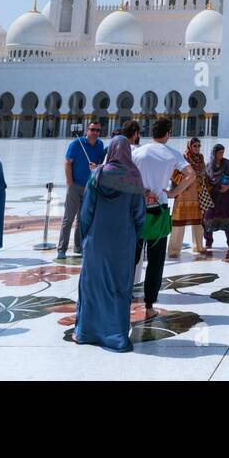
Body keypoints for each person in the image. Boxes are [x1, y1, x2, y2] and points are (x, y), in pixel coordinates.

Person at [74, 121, 147, 352]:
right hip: (122, 242)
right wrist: (134, 235)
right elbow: (139, 215)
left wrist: (86, 237)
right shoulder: (135, 178)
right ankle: (116, 336)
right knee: (119, 286)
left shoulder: (98, 175)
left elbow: (86, 212)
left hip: (97, 240)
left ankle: (86, 332)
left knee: (92, 285)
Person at [134, 118, 197, 317]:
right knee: (155, 260)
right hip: (159, 212)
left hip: (137, 210)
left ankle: (122, 297)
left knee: (131, 257)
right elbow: (191, 174)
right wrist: (173, 192)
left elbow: (126, 176)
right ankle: (149, 306)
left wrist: (141, 192)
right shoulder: (171, 154)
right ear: (168, 133)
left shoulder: (138, 152)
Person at [58, 122, 106, 258]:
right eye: (92, 129)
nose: (95, 132)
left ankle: (78, 246)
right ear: (87, 130)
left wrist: (96, 166)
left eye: (98, 130)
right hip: (75, 186)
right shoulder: (76, 144)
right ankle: (62, 249)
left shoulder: (100, 145)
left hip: (89, 186)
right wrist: (69, 182)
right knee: (69, 218)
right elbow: (68, 162)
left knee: (82, 219)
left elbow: (101, 164)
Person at [168, 136, 209, 259]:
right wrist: (184, 182)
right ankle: (174, 250)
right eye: (194, 146)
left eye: (198, 146)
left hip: (197, 194)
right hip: (183, 194)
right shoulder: (183, 158)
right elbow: (173, 174)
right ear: (189, 146)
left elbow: (204, 175)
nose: (197, 148)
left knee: (198, 222)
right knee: (178, 224)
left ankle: (198, 246)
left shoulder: (200, 159)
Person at [203, 143, 229, 259]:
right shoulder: (208, 166)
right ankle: (208, 243)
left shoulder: (227, 163)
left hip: (225, 198)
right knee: (208, 220)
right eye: (219, 153)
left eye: (223, 153)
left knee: (228, 222)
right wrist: (215, 187)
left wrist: (228, 186)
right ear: (214, 153)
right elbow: (206, 182)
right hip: (212, 199)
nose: (221, 155)